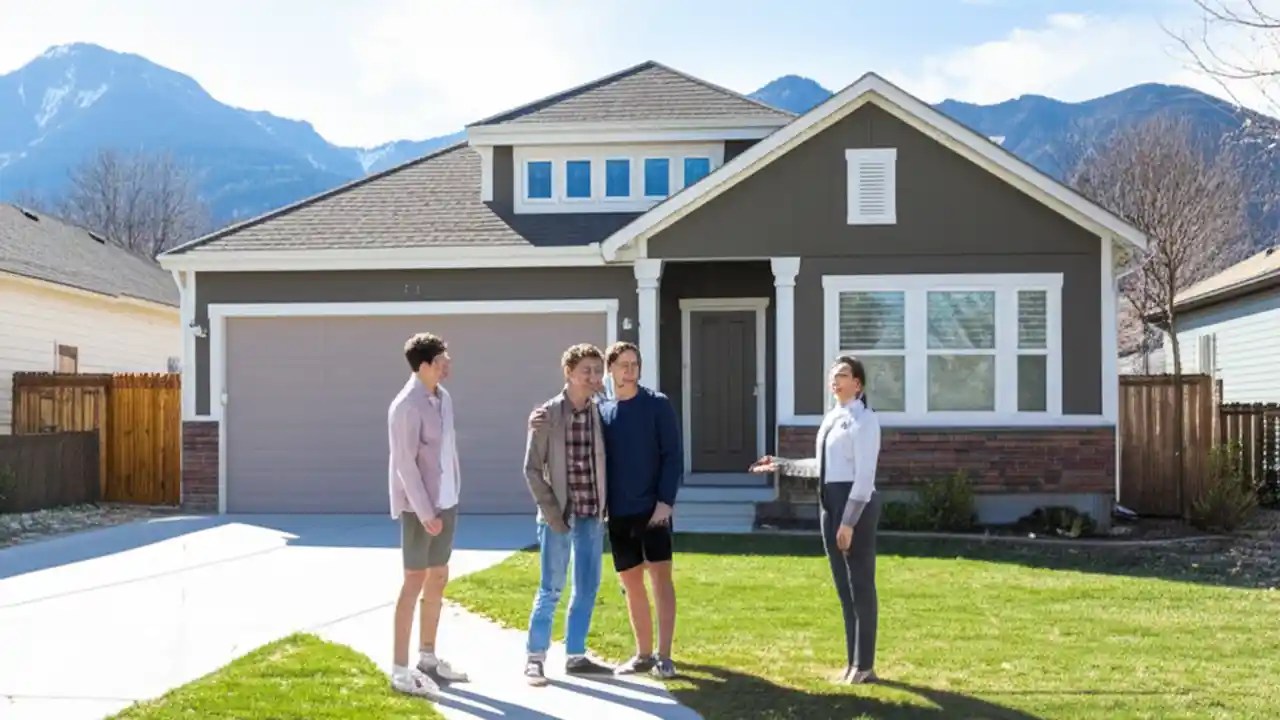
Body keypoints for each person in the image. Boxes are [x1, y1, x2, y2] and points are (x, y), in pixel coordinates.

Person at [534, 341, 682, 678]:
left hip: (654, 510)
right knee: (631, 585)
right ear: (611, 371)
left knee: (661, 581)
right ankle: (643, 654)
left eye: (635, 364)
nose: (629, 370)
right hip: (617, 513)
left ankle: (665, 656)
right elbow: (569, 416)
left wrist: (666, 502)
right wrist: (539, 418)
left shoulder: (657, 405)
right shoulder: (604, 411)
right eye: (622, 365)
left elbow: (672, 456)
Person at [749, 355, 882, 684]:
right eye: (832, 375)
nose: (835, 380)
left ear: (858, 384)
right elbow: (823, 466)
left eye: (843, 375)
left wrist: (849, 521)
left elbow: (864, 477)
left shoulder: (865, 421)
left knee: (861, 585)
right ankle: (853, 662)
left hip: (856, 506)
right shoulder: (833, 419)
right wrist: (782, 464)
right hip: (830, 504)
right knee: (844, 588)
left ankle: (865, 664)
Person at [521, 344, 615, 686]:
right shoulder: (547, 415)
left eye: (597, 370)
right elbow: (531, 470)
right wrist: (551, 513)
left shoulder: (603, 413)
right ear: (569, 373)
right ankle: (535, 658)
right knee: (551, 588)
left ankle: (576, 655)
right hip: (558, 515)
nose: (593, 377)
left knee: (587, 586)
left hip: (592, 513)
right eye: (586, 370)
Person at [387, 332, 470, 697]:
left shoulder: (444, 397)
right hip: (418, 509)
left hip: (447, 502)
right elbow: (405, 464)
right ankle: (400, 670)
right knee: (413, 583)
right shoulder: (405, 405)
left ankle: (428, 658)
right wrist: (424, 513)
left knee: (439, 577)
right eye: (441, 361)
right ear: (423, 366)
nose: (447, 365)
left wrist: (449, 498)